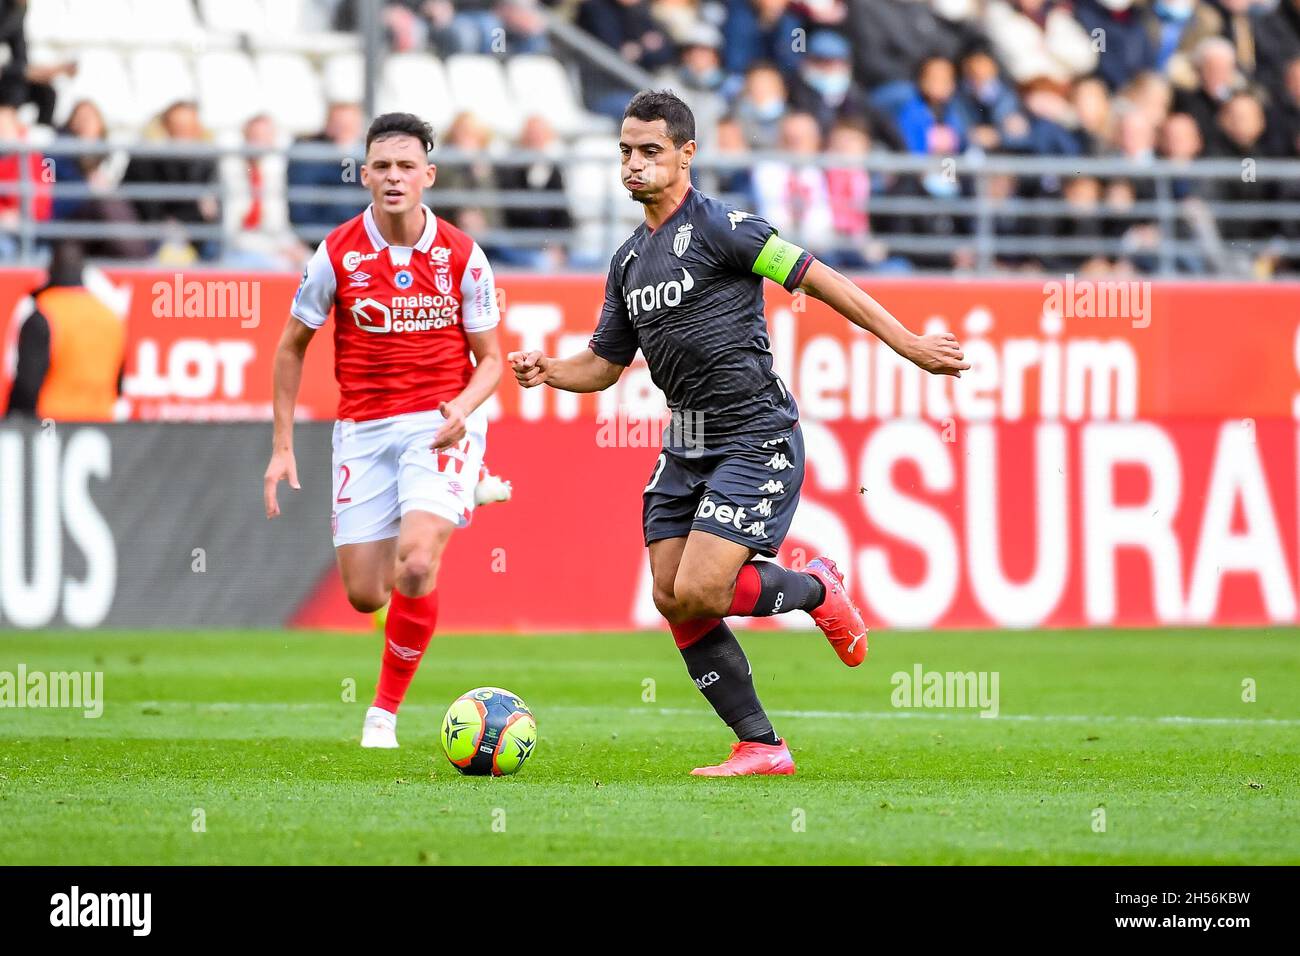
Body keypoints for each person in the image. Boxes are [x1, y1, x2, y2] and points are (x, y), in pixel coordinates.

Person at [508, 90, 968, 777]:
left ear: (687, 154)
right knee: (671, 594)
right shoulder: (629, 261)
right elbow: (604, 365)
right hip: (684, 443)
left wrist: (906, 342)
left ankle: (815, 587)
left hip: (755, 434)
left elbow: (821, 276)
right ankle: (761, 744)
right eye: (626, 152)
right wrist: (549, 370)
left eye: (650, 151)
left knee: (700, 589)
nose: (634, 164)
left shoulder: (725, 227)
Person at [263, 113, 506, 750]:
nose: (394, 177)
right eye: (382, 166)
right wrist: (283, 444)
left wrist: (463, 408)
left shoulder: (461, 254)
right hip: (364, 428)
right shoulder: (337, 252)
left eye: (406, 167)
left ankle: (382, 715)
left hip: (439, 424)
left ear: (428, 175)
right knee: (366, 596)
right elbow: (291, 347)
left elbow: (492, 361)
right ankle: (455, 495)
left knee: (419, 562)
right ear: (365, 174)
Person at [5, 240, 124, 420]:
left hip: (51, 427)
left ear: (50, 270)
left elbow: (28, 385)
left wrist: (12, 426)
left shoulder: (44, 314)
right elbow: (119, 382)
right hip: (101, 424)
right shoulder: (110, 317)